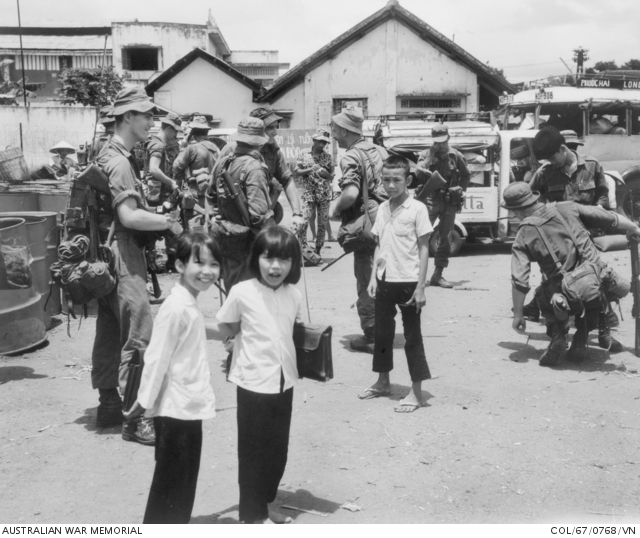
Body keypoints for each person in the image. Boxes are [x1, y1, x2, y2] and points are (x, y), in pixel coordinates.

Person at [91, 88, 183, 445]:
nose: (151, 123)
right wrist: (167, 222)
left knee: (110, 331)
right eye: (145, 116)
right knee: (140, 333)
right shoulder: (121, 162)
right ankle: (134, 418)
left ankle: (110, 405)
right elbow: (128, 216)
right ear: (127, 117)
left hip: (105, 253)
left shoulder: (107, 153)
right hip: (122, 254)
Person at [125, 232, 222, 523]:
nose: (207, 271)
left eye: (214, 264)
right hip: (174, 410)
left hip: (188, 408)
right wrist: (142, 402)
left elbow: (197, 330)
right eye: (199, 263)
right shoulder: (175, 307)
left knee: (182, 486)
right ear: (179, 265)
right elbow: (156, 358)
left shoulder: (187, 303)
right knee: (171, 487)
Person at [215, 226, 302, 524]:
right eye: (268, 258)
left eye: (284, 260)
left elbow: (294, 332)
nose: (275, 266)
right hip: (252, 383)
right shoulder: (242, 292)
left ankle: (266, 502)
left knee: (278, 450)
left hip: (284, 381)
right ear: (256, 259)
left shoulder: (294, 295)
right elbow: (226, 327)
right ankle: (251, 516)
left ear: (294, 264)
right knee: (252, 452)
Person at [505, 182, 637, 367]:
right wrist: (634, 228)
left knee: (544, 295)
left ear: (515, 210)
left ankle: (559, 335)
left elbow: (520, 281)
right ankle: (586, 337)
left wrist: (518, 314)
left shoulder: (523, 235)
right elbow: (610, 218)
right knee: (600, 283)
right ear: (534, 199)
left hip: (567, 293)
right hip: (599, 282)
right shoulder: (567, 207)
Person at [360, 155, 433, 412]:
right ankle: (383, 382)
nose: (391, 185)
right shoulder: (382, 208)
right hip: (384, 280)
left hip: (408, 281)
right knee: (382, 334)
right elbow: (379, 243)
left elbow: (424, 248)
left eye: (397, 180)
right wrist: (372, 278)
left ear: (408, 180)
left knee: (412, 337)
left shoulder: (417, 209)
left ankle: (416, 392)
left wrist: (421, 286)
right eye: (386, 180)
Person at [330, 107, 388, 354]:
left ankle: (373, 336)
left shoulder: (350, 157)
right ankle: (385, 327)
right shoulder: (381, 150)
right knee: (384, 274)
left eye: (334, 129)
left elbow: (351, 193)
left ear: (344, 130)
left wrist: (333, 209)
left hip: (367, 222)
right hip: (387, 219)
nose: (332, 134)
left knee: (366, 277)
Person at [207, 117, 275, 293]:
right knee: (253, 301)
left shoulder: (223, 162)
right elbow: (259, 215)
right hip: (249, 246)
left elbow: (210, 195)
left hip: (228, 241)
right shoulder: (254, 168)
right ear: (260, 143)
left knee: (233, 297)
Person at [219, 107, 304, 232]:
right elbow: (214, 185)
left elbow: (287, 180)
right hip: (233, 220)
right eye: (270, 127)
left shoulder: (274, 152)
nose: (275, 132)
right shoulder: (231, 150)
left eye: (276, 127)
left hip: (261, 217)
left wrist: (297, 214)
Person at [415, 125, 470, 288]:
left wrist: (460, 190)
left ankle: (437, 275)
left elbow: (466, 175)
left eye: (443, 142)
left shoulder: (456, 155)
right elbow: (418, 173)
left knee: (444, 238)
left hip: (449, 201)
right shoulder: (426, 154)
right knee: (420, 235)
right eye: (436, 142)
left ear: (448, 138)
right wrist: (430, 156)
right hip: (429, 199)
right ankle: (414, 274)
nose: (440, 145)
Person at [530, 126, 609, 208]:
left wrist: (598, 210)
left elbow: (602, 194)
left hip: (588, 219)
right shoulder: (544, 172)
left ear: (563, 148)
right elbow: (529, 195)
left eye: (553, 158)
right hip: (561, 219)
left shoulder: (592, 165)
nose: (551, 162)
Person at [294, 128, 334, 263]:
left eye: (324, 142)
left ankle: (317, 252)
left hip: (323, 194)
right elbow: (296, 172)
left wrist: (326, 174)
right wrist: (311, 169)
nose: (322, 145)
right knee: (304, 222)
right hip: (308, 193)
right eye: (320, 141)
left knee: (322, 224)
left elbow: (331, 177)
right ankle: (303, 250)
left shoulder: (328, 157)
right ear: (314, 140)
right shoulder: (303, 154)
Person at [173, 117, 219, 224]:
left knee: (194, 228)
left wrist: (183, 147)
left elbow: (176, 168)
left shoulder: (191, 148)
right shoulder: (216, 149)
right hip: (211, 196)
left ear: (193, 133)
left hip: (195, 197)